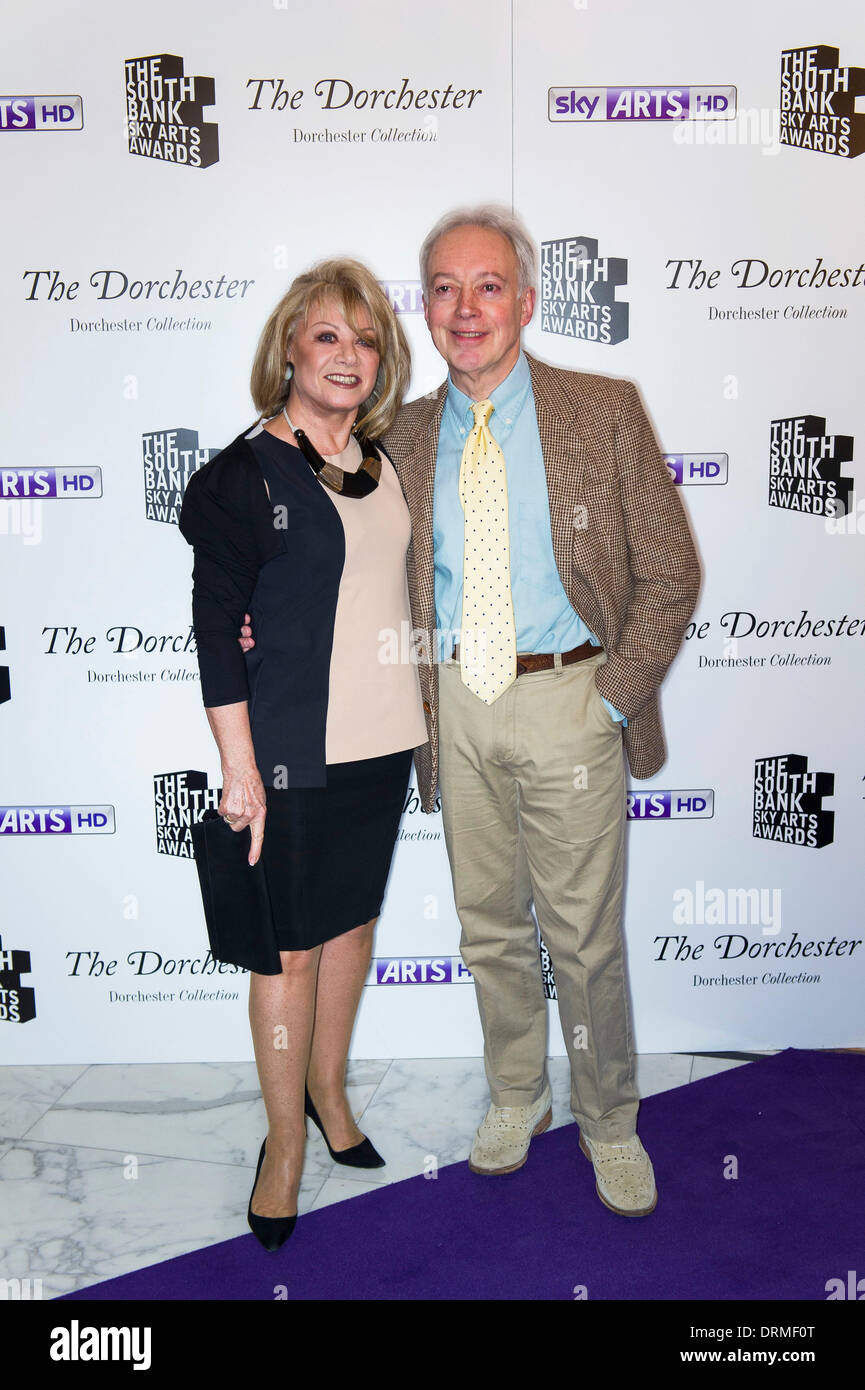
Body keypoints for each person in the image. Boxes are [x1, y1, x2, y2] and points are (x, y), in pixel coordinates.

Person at [383, 206, 701, 1217]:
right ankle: (515, 1095)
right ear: (423, 307)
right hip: (457, 711)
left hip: (569, 694)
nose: (466, 307)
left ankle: (609, 1119)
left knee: (584, 938)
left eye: (487, 286)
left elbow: (668, 570)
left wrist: (607, 697)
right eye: (444, 287)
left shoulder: (601, 409)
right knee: (488, 928)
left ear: (524, 299)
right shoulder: (404, 434)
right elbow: (360, 576)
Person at [178, 258, 426, 1251]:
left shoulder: (381, 459)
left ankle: (329, 1092)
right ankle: (283, 1147)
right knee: (286, 950)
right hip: (290, 751)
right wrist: (238, 767)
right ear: (288, 346)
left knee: (350, 925)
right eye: (327, 335)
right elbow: (214, 629)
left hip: (385, 740)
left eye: (365, 340)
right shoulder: (241, 476)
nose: (347, 355)